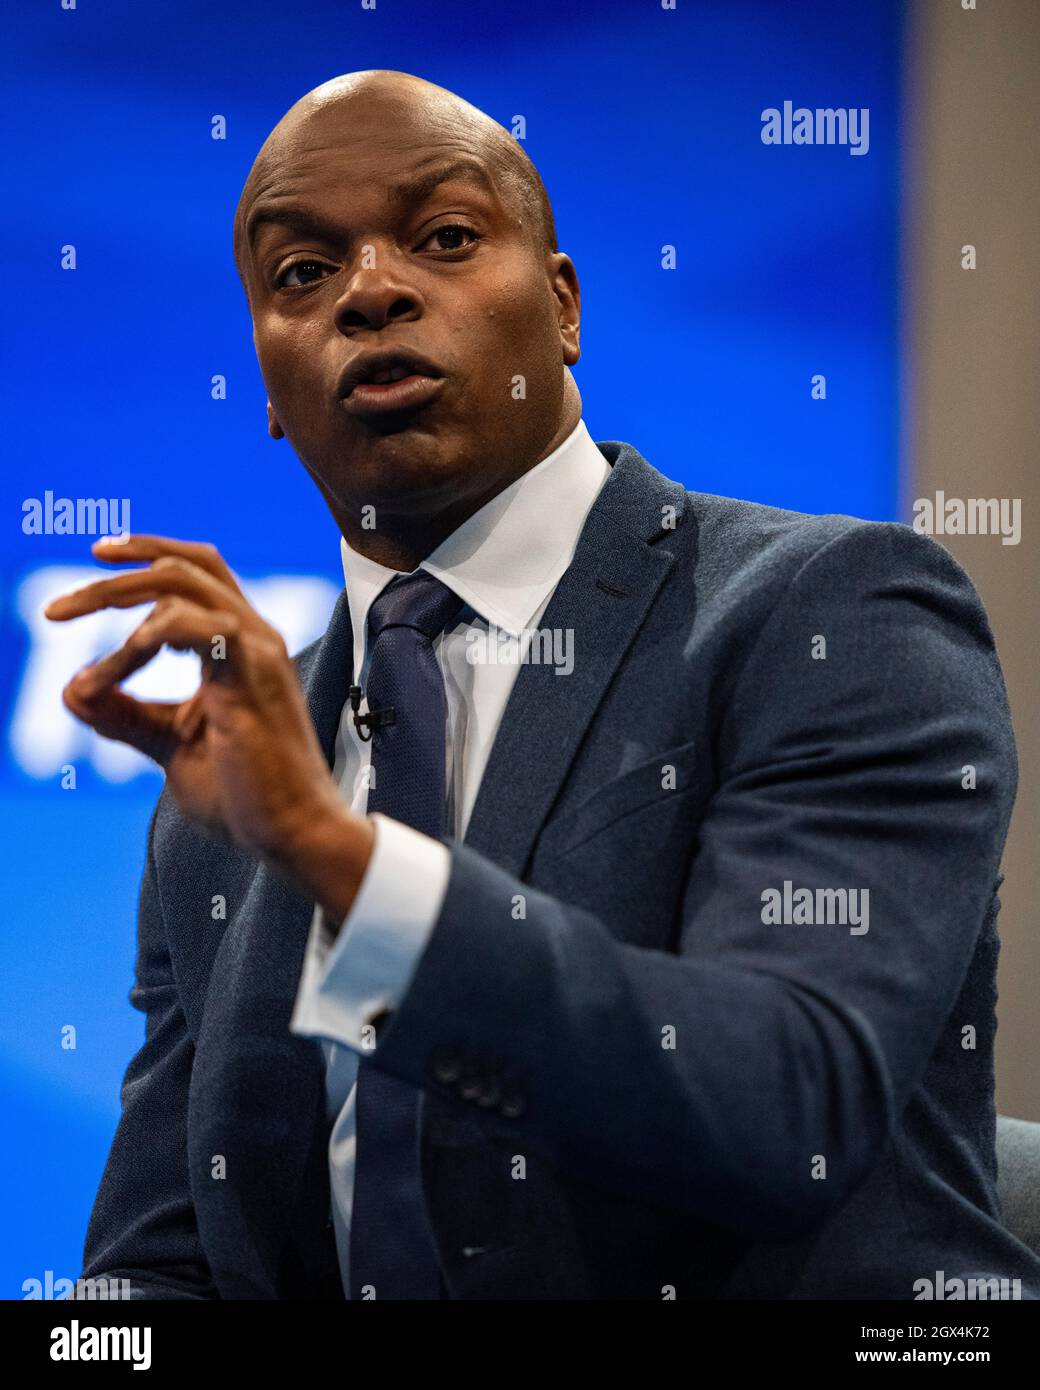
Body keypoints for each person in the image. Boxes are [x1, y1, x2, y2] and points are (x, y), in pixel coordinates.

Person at [47, 70, 1040, 1300]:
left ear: (562, 308)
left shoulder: (830, 613)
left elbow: (788, 1109)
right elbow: (162, 1264)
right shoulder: (227, 786)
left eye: (444, 238)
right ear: (263, 384)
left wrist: (330, 849)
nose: (370, 290)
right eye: (300, 274)